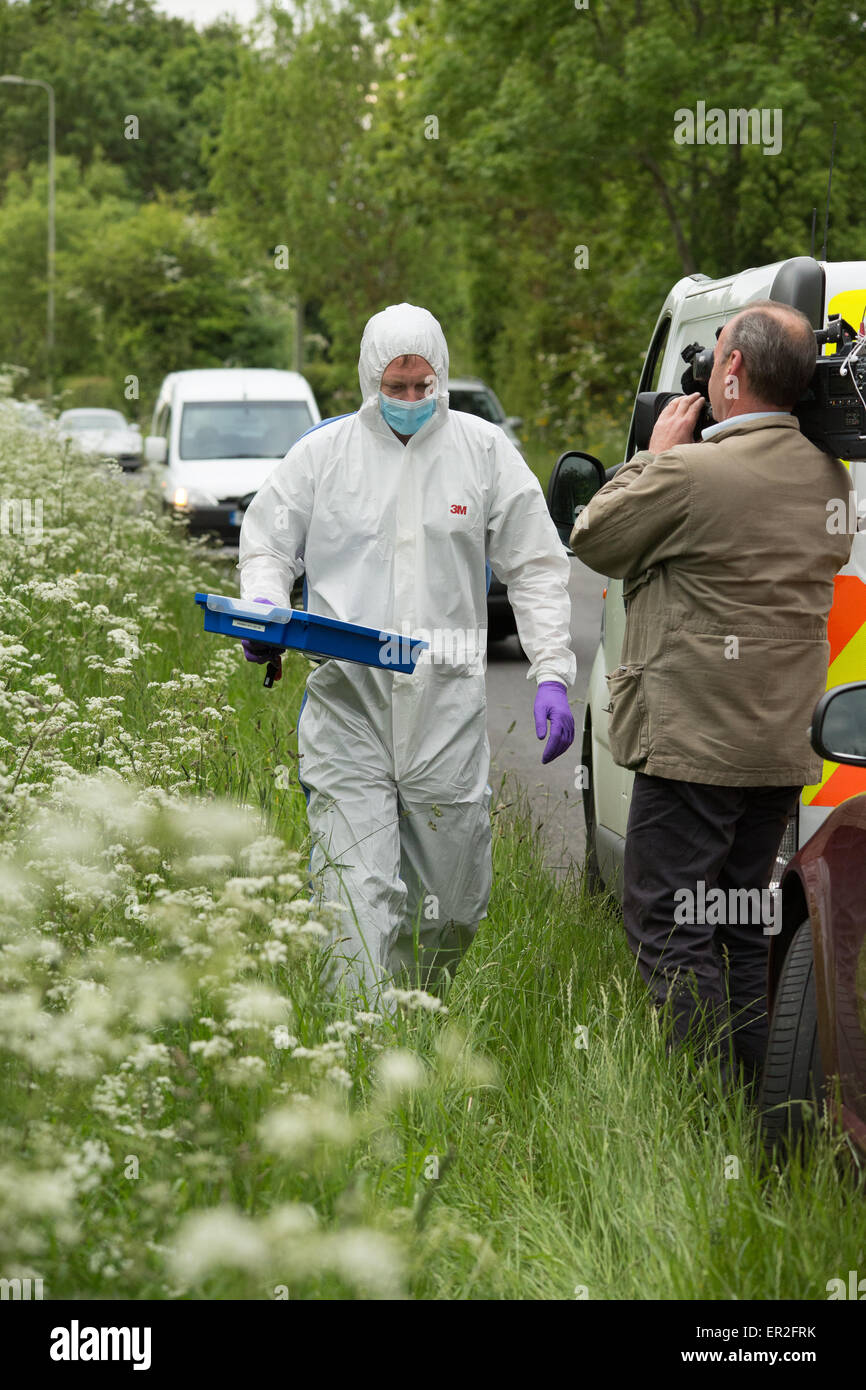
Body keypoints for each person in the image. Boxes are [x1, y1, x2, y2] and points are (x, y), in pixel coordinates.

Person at [238, 302, 576, 1003]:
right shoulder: (322, 456)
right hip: (349, 709)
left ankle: (412, 1015)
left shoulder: (482, 453)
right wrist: (267, 614)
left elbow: (538, 566)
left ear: (442, 378)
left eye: (425, 387)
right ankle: (359, 1052)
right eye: (398, 388)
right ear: (371, 380)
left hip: (444, 713)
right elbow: (269, 544)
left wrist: (550, 673)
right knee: (354, 899)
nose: (413, 401)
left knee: (452, 906)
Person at [570, 301, 854, 1089]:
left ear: (730, 370)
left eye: (717, 356)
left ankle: (697, 1107)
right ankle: (757, 1101)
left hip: (695, 745)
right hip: (775, 748)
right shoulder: (828, 478)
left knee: (670, 923)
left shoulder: (690, 473)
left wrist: (654, 456)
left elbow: (594, 536)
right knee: (739, 923)